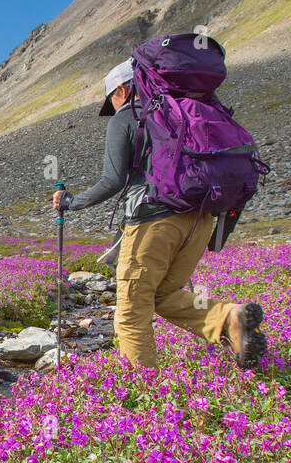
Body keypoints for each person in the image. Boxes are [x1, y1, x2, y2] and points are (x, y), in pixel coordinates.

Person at [52, 59, 266, 370]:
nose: (112, 108)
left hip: (154, 219)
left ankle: (143, 397)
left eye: (112, 99)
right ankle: (227, 319)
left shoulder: (127, 118)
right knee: (164, 295)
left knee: (131, 311)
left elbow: (112, 181)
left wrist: (71, 202)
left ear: (123, 90)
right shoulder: (184, 112)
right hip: (201, 218)